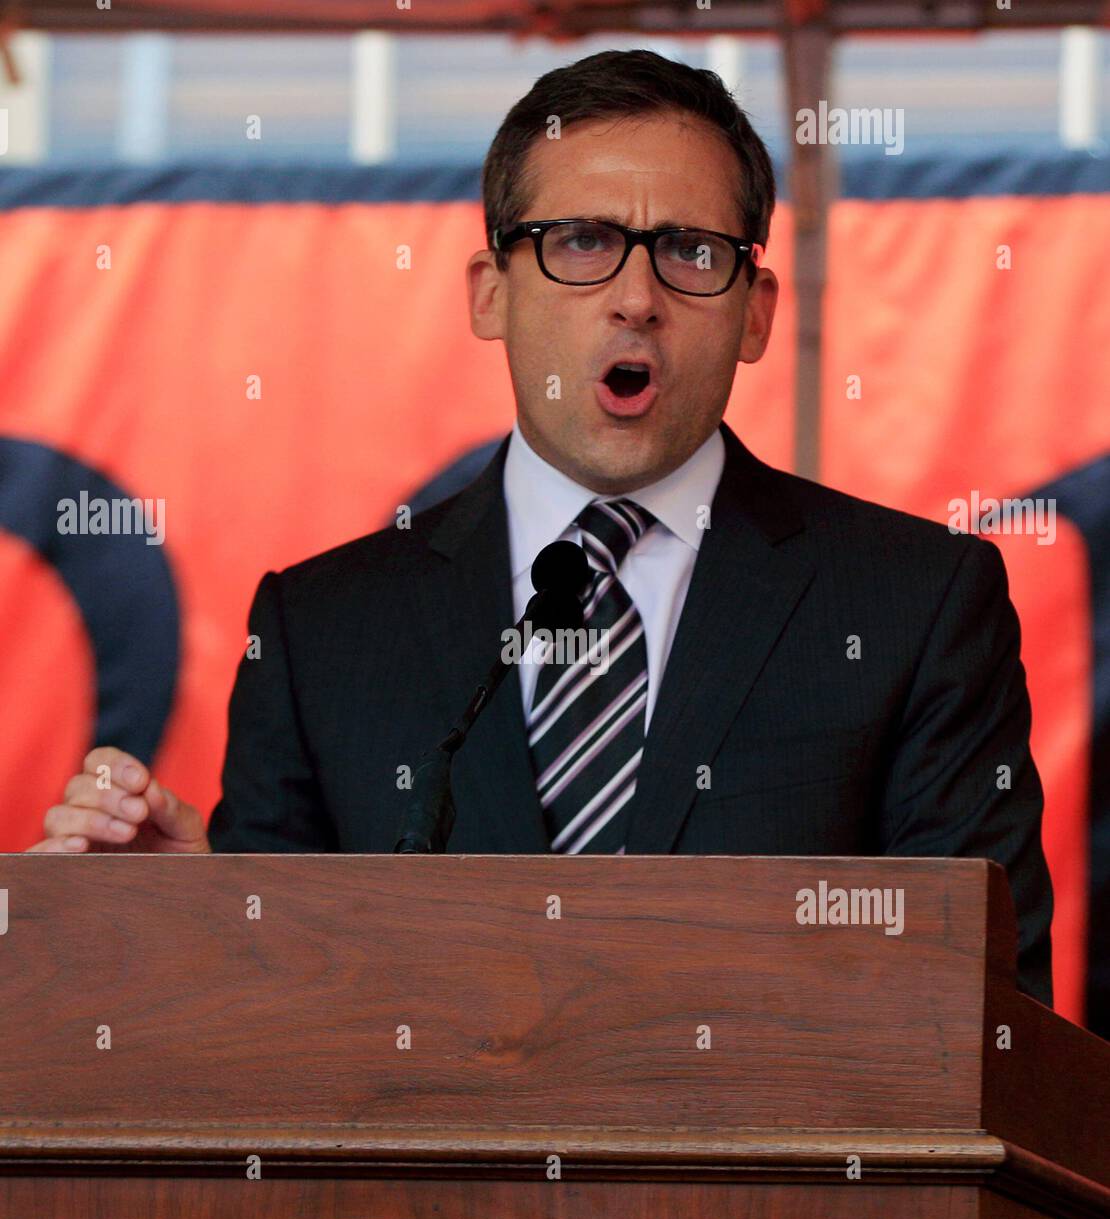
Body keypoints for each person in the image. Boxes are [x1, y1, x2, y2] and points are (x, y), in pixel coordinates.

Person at [29, 49, 1053, 1005]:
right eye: (582, 242)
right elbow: (268, 1022)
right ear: (490, 293)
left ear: (756, 313)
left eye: (691, 251)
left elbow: (986, 1022)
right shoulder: (322, 629)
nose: (636, 299)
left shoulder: (914, 604)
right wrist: (183, 913)